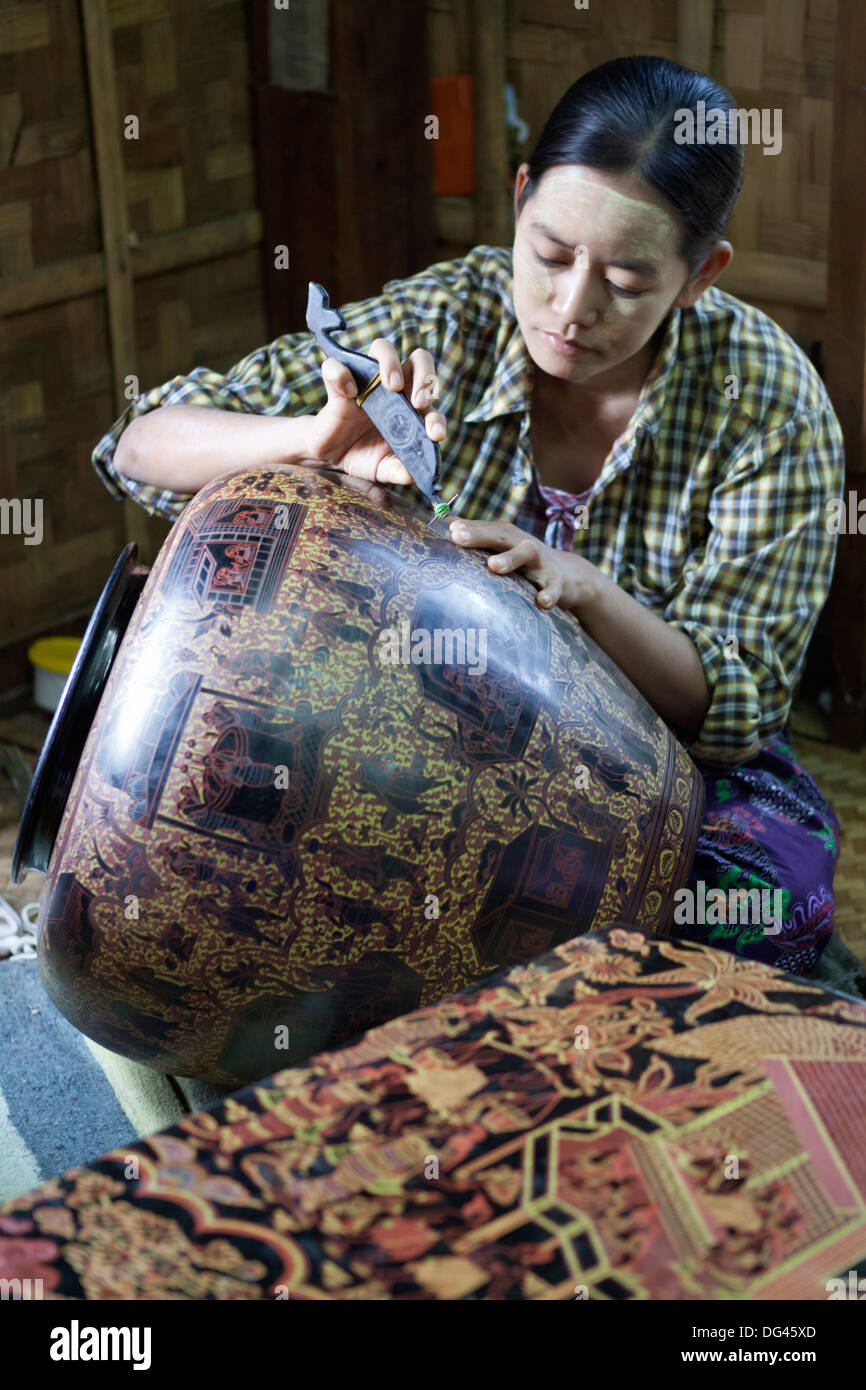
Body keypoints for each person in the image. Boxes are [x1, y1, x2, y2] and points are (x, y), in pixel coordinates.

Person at [92, 55, 843, 975]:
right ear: (520, 199)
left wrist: (588, 596)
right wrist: (312, 438)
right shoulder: (448, 318)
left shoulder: (766, 402)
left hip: (668, 772)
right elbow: (139, 447)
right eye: (552, 254)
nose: (572, 309)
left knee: (765, 902)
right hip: (431, 730)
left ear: (699, 274)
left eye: (629, 281)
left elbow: (734, 708)